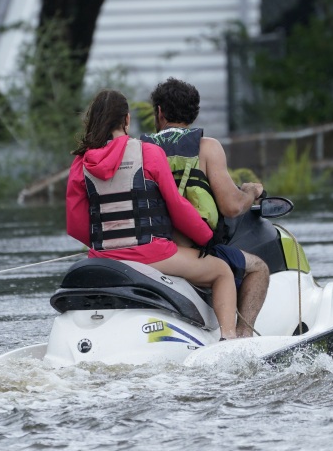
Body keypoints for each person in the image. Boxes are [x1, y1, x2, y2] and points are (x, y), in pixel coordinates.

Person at [66, 89, 240, 340]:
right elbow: (176, 206)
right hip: (151, 254)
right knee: (222, 271)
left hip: (103, 258)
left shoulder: (80, 162)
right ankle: (229, 340)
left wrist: (110, 246)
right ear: (127, 120)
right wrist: (205, 238)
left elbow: (76, 225)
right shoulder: (147, 152)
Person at [142, 77, 269, 338]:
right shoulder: (207, 147)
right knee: (258, 268)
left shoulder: (141, 149)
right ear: (194, 113)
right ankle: (243, 337)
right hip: (188, 251)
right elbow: (231, 207)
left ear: (159, 112)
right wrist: (251, 191)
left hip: (148, 247)